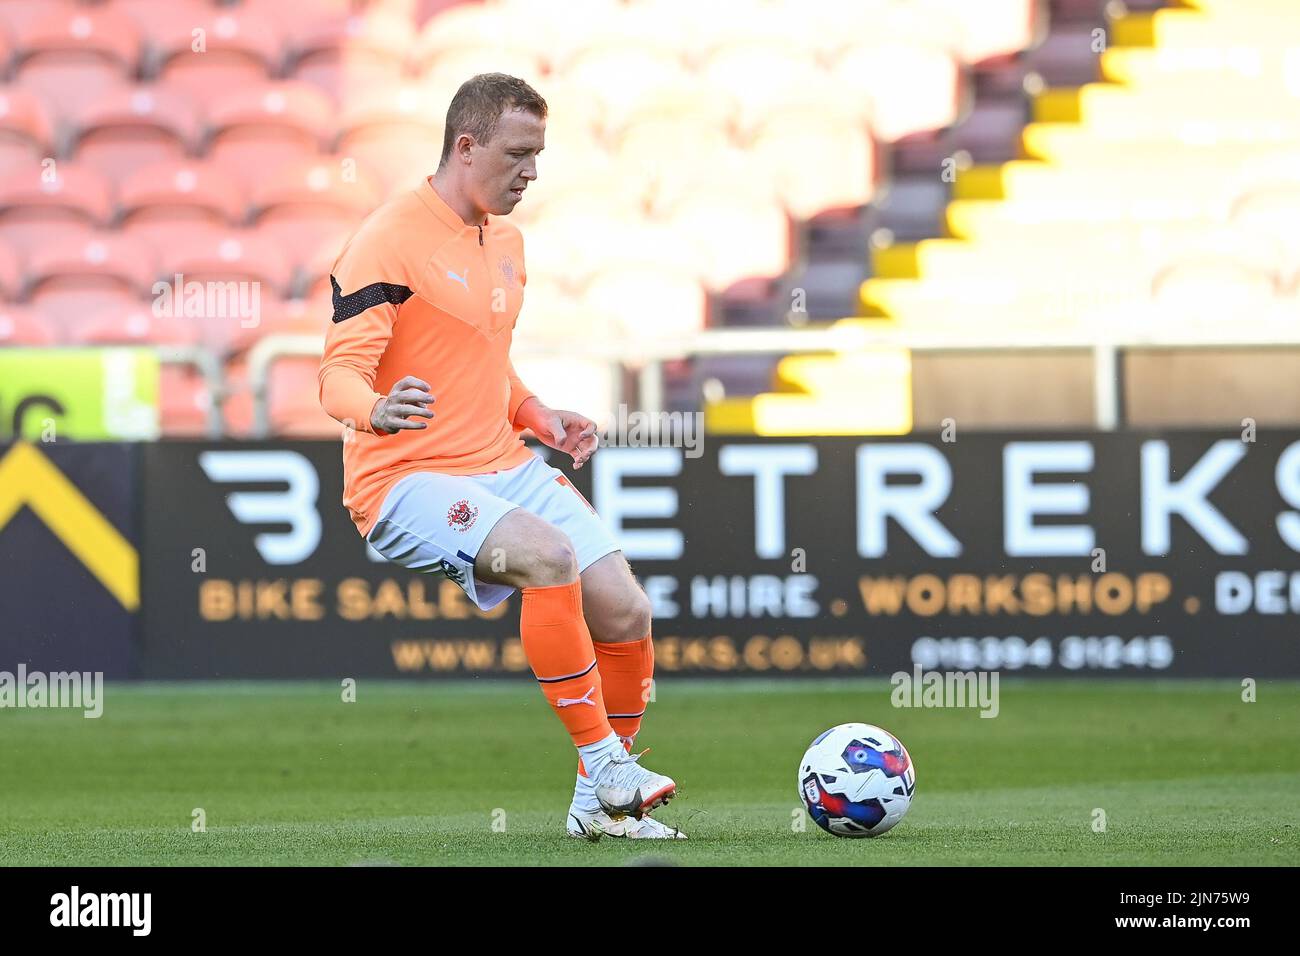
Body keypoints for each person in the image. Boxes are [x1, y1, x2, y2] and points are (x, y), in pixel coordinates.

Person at [318, 73, 683, 840]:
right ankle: (609, 764)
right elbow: (337, 376)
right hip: (404, 479)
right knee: (548, 558)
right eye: (518, 153)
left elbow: (482, 360)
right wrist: (375, 410)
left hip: (503, 460)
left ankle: (597, 808)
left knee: (625, 607)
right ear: (465, 145)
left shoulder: (506, 241)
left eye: (539, 154)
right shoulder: (386, 238)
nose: (532, 172)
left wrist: (535, 412)